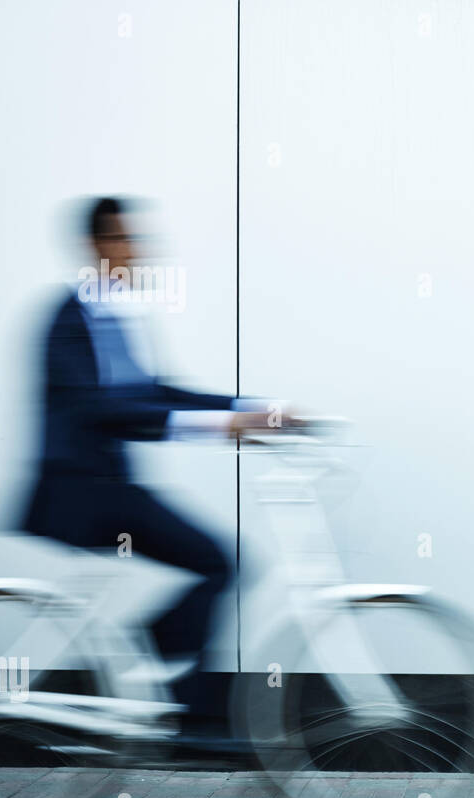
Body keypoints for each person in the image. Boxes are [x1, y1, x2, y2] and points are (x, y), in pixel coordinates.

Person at [17, 196, 285, 738]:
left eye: (137, 241)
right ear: (95, 247)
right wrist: (217, 427)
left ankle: (176, 687)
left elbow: (157, 392)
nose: (136, 252)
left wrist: (252, 411)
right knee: (217, 561)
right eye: (124, 240)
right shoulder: (69, 317)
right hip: (82, 493)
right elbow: (105, 409)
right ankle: (187, 701)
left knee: (216, 562)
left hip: (111, 488)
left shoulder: (114, 316)